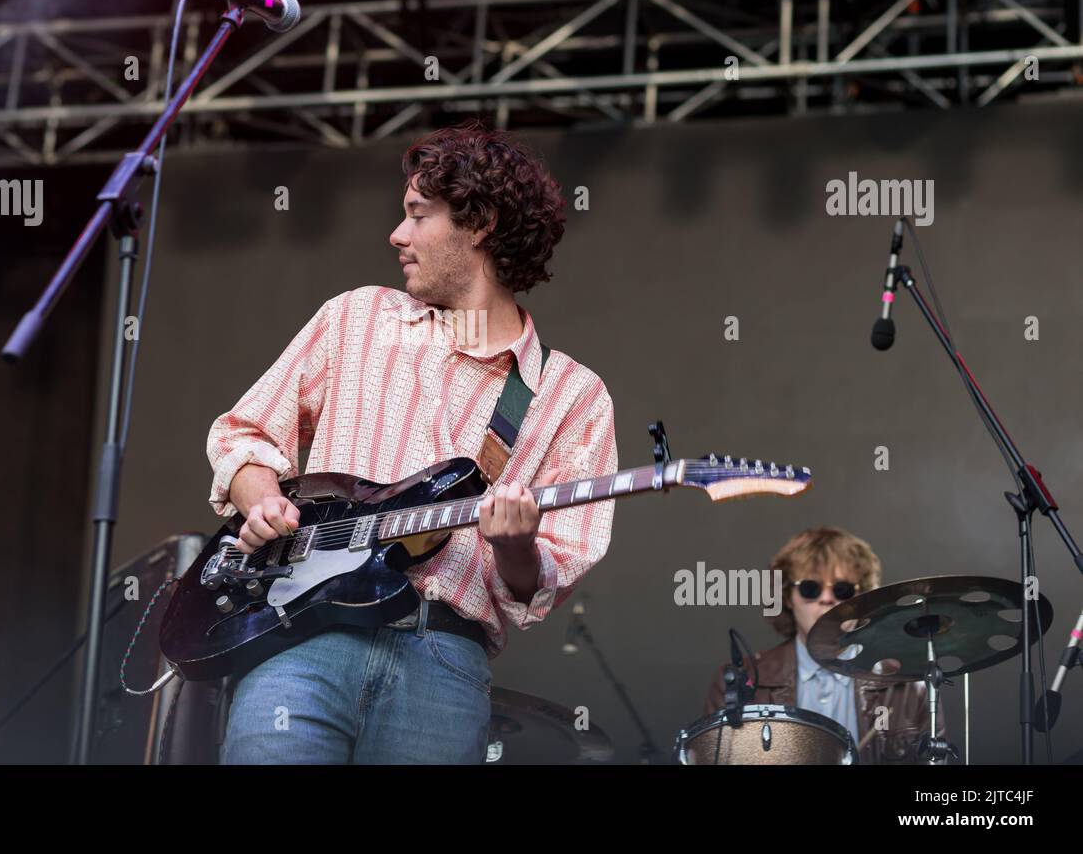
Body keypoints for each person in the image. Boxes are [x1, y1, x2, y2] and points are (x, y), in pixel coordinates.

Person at [206, 121, 618, 763]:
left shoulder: (571, 394)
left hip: (441, 664)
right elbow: (244, 433)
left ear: (478, 223)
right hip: (303, 641)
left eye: (418, 216)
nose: (397, 235)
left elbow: (541, 581)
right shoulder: (357, 319)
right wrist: (260, 499)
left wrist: (516, 546)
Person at [704, 526, 947, 764]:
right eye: (811, 588)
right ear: (788, 597)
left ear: (863, 599)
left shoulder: (907, 686)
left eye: (843, 590)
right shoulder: (739, 682)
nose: (827, 598)